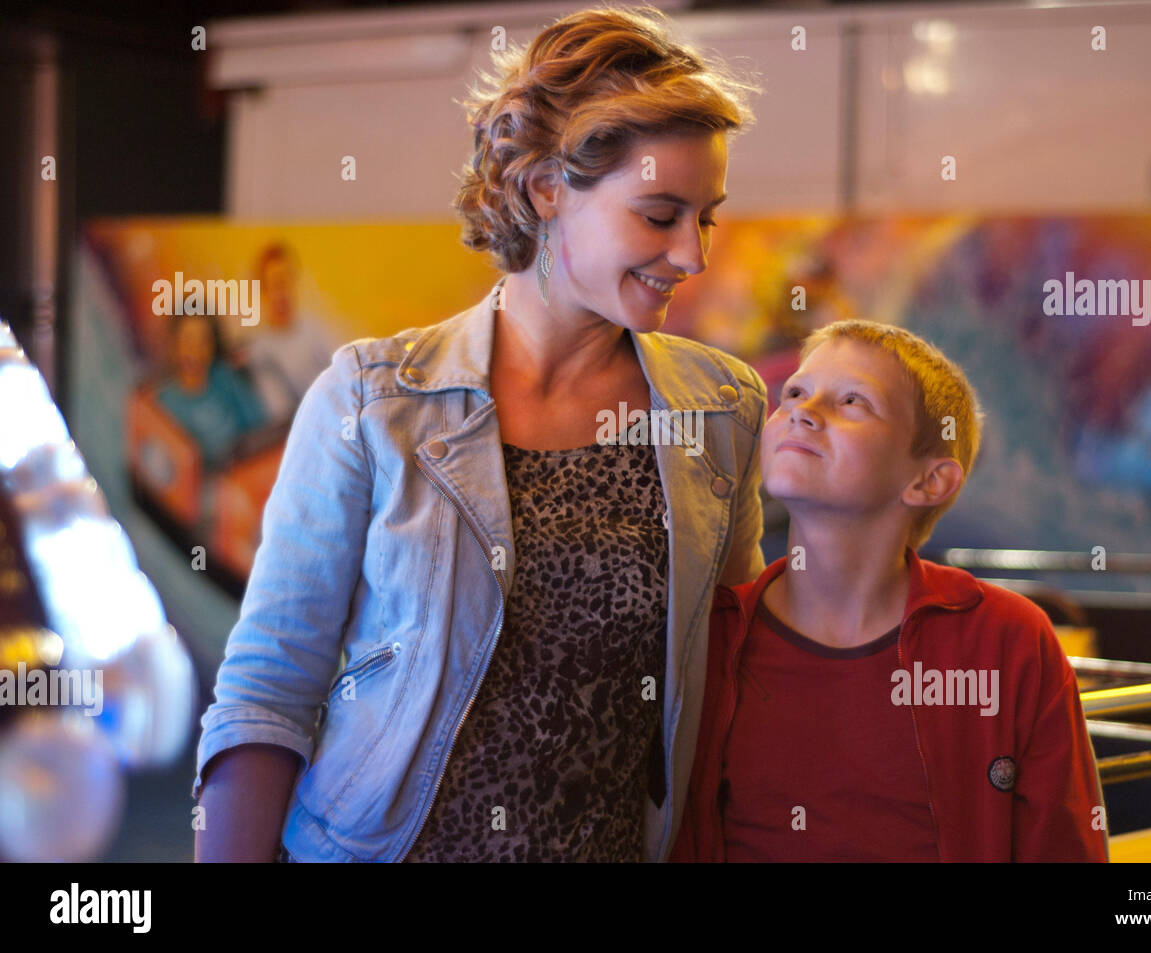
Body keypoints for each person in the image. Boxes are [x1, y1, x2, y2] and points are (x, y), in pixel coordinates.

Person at [193, 6, 766, 863]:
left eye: (706, 217)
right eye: (659, 214)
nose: (693, 254)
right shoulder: (375, 396)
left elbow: (731, 687)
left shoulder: (720, 410)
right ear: (545, 190)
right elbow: (270, 686)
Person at [670, 319, 1110, 862]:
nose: (805, 411)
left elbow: (1064, 848)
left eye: (853, 402)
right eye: (796, 393)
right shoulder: (706, 639)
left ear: (929, 481)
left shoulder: (1007, 641)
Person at [239, 243, 340, 425]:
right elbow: (279, 411)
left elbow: (343, 375)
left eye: (286, 281)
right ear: (264, 291)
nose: (282, 293)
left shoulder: (314, 328)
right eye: (275, 284)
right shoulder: (260, 351)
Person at [155, 313, 267, 468]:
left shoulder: (224, 378)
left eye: (204, 341)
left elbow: (259, 424)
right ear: (175, 345)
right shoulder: (165, 404)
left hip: (247, 468)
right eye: (188, 340)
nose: (196, 350)